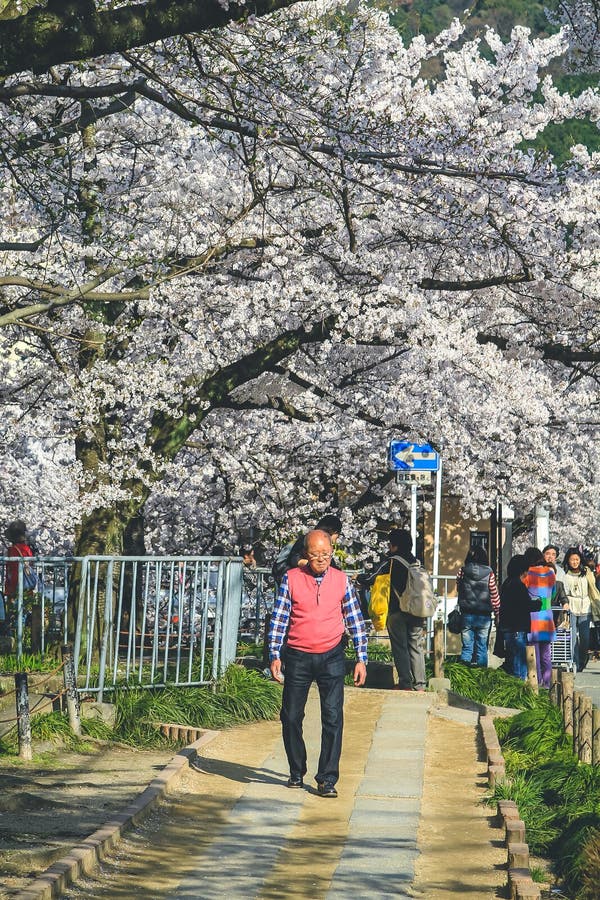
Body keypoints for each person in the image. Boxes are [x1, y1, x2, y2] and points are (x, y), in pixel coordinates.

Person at [268, 529, 367, 798]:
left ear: (332, 553)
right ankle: (296, 770)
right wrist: (274, 654)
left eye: (326, 553)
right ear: (305, 555)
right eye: (315, 554)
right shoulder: (291, 578)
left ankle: (327, 778)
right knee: (290, 716)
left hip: (332, 655)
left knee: (333, 717)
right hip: (297, 655)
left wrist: (361, 658)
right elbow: (279, 617)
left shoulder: (341, 580)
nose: (321, 559)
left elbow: (355, 620)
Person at [357, 528, 426, 691]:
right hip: (417, 611)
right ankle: (420, 685)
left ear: (394, 545)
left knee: (400, 647)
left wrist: (358, 577)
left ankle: (405, 683)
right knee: (416, 646)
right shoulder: (416, 563)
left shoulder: (392, 562)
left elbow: (372, 578)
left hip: (397, 611)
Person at [499, 554, 542, 680]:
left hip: (507, 627)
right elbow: (524, 605)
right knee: (519, 661)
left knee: (512, 659)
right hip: (517, 628)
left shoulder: (506, 583)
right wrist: (538, 604)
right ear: (522, 570)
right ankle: (519, 685)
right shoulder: (518, 585)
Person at [456, 546, 499, 668]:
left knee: (467, 648)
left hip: (466, 613)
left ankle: (464, 675)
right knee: (482, 647)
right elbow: (494, 593)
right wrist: (497, 612)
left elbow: (459, 587)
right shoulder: (489, 573)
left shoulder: (462, 571)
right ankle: (481, 675)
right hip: (484, 615)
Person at [562, 547, 600, 672]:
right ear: (568, 560)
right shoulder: (565, 573)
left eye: (577, 559)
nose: (574, 562)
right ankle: (575, 663)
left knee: (585, 638)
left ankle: (583, 659)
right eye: (572, 559)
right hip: (571, 607)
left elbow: (592, 587)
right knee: (572, 637)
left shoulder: (586, 571)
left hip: (585, 607)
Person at [523, 546, 556, 688]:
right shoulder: (550, 573)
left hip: (532, 617)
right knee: (546, 654)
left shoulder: (527, 574)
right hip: (547, 618)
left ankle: (536, 683)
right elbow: (553, 593)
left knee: (533, 654)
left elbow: (523, 593)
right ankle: (547, 684)